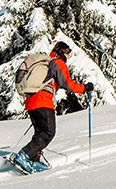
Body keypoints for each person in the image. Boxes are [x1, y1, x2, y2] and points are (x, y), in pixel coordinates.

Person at [12, 41, 94, 172]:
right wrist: (84, 88)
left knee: (39, 133)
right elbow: (67, 83)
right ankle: (24, 155)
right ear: (63, 52)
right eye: (67, 54)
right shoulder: (57, 63)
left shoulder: (48, 63)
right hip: (43, 101)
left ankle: (33, 160)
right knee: (48, 132)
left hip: (31, 102)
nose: (67, 57)